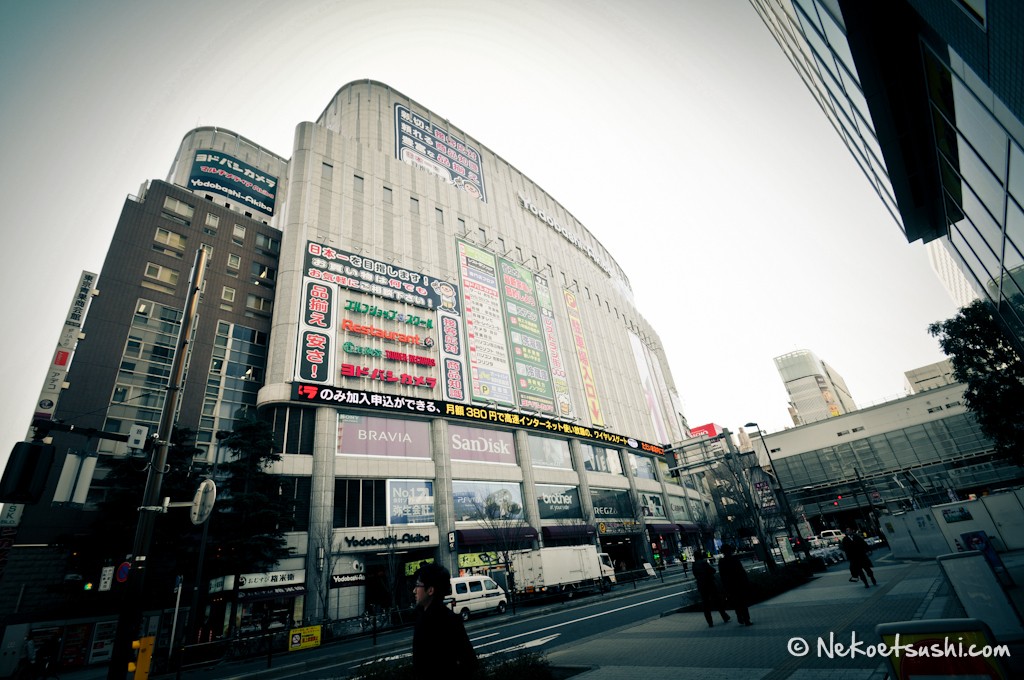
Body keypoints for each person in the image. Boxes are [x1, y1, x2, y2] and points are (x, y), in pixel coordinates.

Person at [411, 562, 478, 678]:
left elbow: (468, 661)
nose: (414, 590)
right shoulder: (426, 616)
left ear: (430, 590)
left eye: (418, 585)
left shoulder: (444, 621)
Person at [691, 551, 730, 627]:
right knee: (717, 601)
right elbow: (713, 570)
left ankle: (710, 622)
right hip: (709, 583)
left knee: (706, 604)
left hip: (701, 585)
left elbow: (695, 575)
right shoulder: (703, 562)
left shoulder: (694, 565)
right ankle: (724, 616)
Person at [718, 544, 752, 626]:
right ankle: (746, 620)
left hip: (730, 585)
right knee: (743, 601)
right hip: (739, 583)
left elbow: (722, 575)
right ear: (730, 551)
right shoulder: (735, 559)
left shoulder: (721, 562)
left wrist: (724, 586)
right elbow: (741, 571)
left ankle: (739, 616)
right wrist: (746, 582)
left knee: (735, 602)